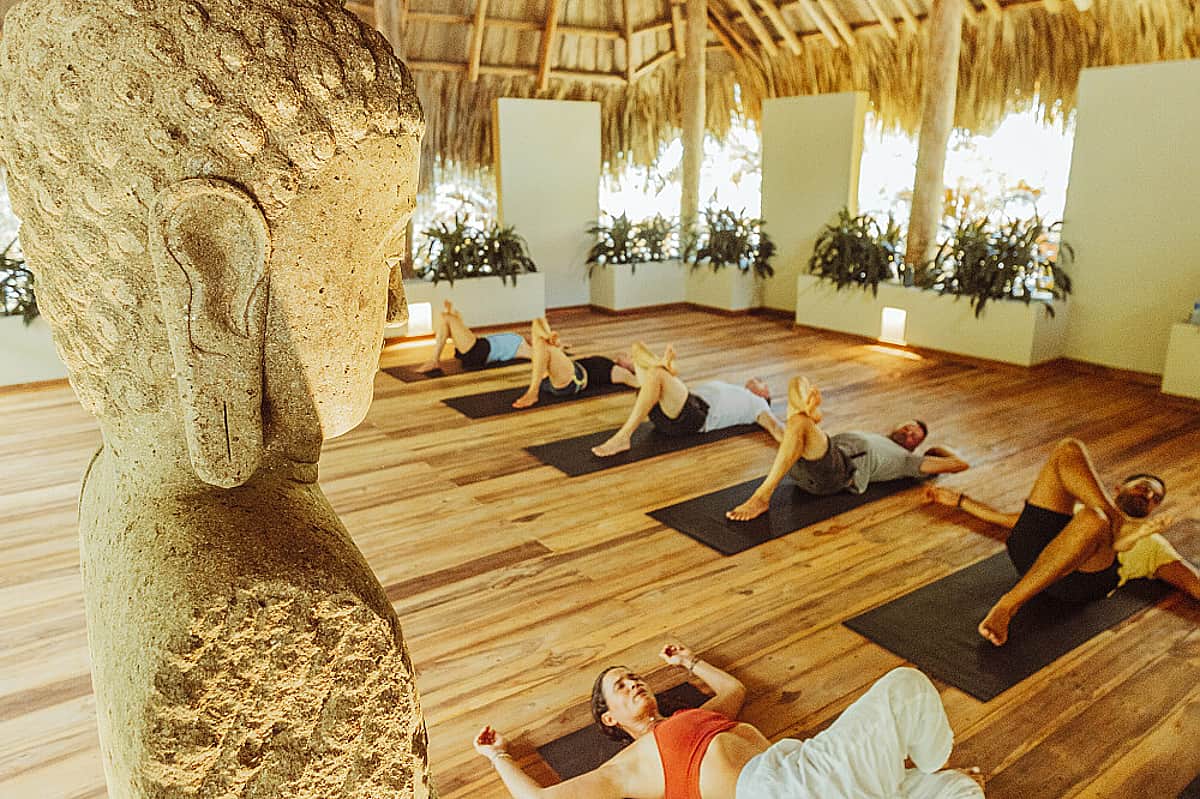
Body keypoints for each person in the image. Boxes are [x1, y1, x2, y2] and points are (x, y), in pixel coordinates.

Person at [473, 642, 984, 798]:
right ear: (610, 719)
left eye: (634, 676)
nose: (634, 683)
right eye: (620, 686)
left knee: (960, 793)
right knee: (904, 687)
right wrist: (498, 756)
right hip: (776, 789)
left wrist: (689, 662)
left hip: (800, 768)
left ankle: (922, 777)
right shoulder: (628, 765)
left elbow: (734, 690)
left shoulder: (693, 716)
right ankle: (924, 762)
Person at [925, 437, 1200, 646]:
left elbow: (1191, 581)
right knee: (1069, 448)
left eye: (1155, 498)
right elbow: (1010, 520)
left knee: (1094, 520)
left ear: (1154, 511)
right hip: (1033, 554)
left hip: (1078, 584)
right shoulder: (1087, 507)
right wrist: (960, 501)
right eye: (1142, 487)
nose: (1148, 496)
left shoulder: (1151, 541)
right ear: (1117, 489)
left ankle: (1008, 606)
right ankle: (1117, 524)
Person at [726, 376, 969, 521]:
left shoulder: (908, 461)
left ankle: (761, 497)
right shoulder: (875, 436)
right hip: (821, 455)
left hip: (840, 472)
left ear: (916, 447)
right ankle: (805, 412)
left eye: (915, 436)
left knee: (799, 421)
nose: (909, 433)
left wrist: (939, 449)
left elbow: (960, 465)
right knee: (797, 383)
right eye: (908, 427)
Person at [591, 342, 784, 457]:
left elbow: (777, 428)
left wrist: (798, 444)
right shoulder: (735, 389)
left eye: (761, 382)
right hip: (676, 408)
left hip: (696, 416)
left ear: (765, 394)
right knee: (637, 349)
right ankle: (656, 367)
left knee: (657, 373)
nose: (757, 381)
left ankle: (623, 437)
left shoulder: (758, 405)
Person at [512, 317, 638, 408]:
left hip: (573, 380)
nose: (626, 355)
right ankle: (549, 337)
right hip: (553, 378)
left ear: (631, 367)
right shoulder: (609, 361)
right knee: (538, 322)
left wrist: (641, 370)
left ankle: (532, 392)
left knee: (545, 346)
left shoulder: (619, 372)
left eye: (630, 358)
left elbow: (636, 382)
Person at [416, 301, 532, 373]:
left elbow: (537, 356)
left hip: (479, 351)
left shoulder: (523, 346)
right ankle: (434, 359)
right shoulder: (518, 338)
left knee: (447, 317)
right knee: (451, 316)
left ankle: (434, 360)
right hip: (478, 346)